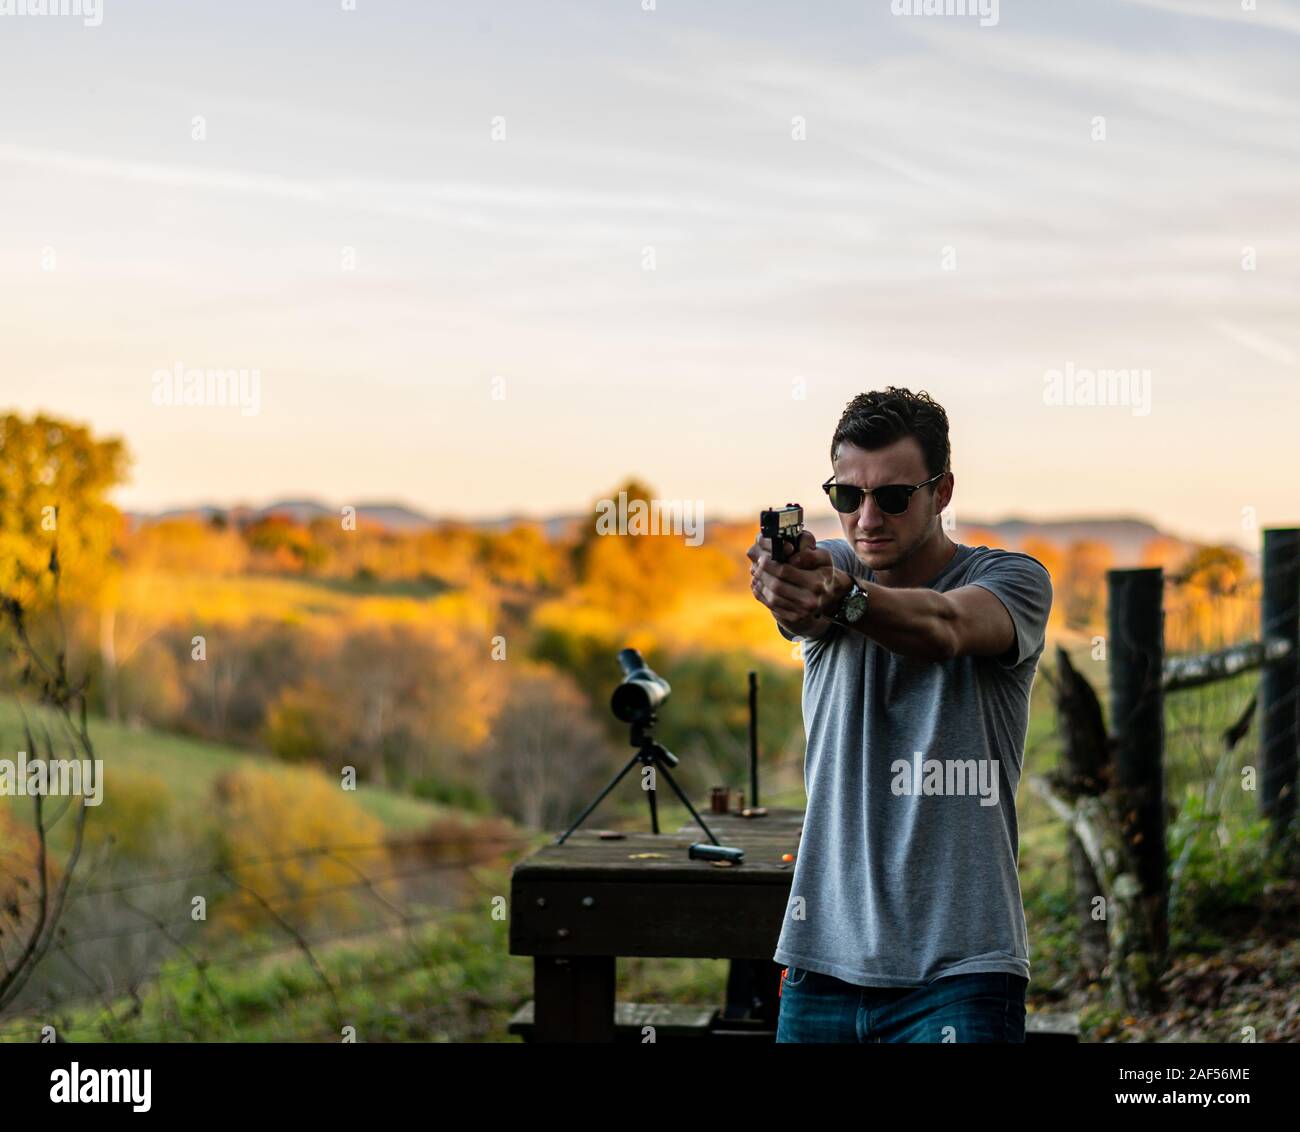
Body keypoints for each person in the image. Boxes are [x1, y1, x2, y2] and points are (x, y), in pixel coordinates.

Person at [748, 386, 1053, 1043]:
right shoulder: (832, 569)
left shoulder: (1013, 582)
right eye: (846, 496)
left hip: (962, 973)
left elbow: (941, 627)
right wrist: (782, 582)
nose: (866, 518)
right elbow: (806, 588)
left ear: (942, 493)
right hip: (819, 968)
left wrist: (844, 599)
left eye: (892, 496)